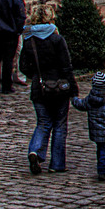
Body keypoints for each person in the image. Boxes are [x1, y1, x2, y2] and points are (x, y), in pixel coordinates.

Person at [19, 12, 77, 174]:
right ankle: (57, 164)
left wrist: (36, 76)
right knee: (59, 125)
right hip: (59, 88)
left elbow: (23, 67)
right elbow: (66, 66)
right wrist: (73, 89)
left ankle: (35, 151)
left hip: (39, 88)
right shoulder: (57, 39)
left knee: (43, 122)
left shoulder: (29, 41)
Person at [69, 72, 105, 181]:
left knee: (100, 149)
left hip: (95, 132)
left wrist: (73, 98)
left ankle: (102, 164)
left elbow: (80, 104)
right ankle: (102, 170)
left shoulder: (89, 100)